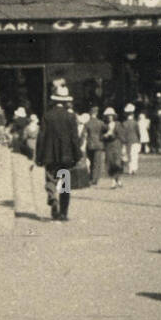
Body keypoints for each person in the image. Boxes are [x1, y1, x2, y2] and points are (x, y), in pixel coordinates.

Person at [36, 84, 83, 221]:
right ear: (66, 101)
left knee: (51, 178)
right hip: (66, 155)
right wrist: (78, 155)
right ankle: (63, 212)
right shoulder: (71, 117)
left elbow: (41, 137)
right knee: (65, 182)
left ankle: (52, 198)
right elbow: (75, 138)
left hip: (50, 155)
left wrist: (39, 156)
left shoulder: (47, 116)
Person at [102, 107, 124, 189]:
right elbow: (101, 137)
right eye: (108, 116)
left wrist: (113, 134)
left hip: (117, 145)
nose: (109, 117)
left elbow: (121, 135)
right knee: (110, 163)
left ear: (114, 116)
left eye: (111, 115)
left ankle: (118, 178)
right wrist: (105, 136)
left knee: (117, 163)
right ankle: (113, 181)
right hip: (108, 146)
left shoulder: (118, 124)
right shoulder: (104, 126)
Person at [84, 105, 106, 186]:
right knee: (97, 163)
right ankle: (95, 179)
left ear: (90, 113)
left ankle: (91, 177)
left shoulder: (87, 123)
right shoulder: (100, 123)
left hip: (90, 144)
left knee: (92, 162)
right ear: (96, 113)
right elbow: (106, 130)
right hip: (99, 144)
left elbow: (84, 134)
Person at [120, 103, 141, 173]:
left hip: (127, 141)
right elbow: (138, 132)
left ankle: (130, 168)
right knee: (134, 155)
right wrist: (139, 140)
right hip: (135, 140)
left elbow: (122, 133)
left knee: (128, 155)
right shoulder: (135, 123)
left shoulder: (124, 123)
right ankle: (133, 168)